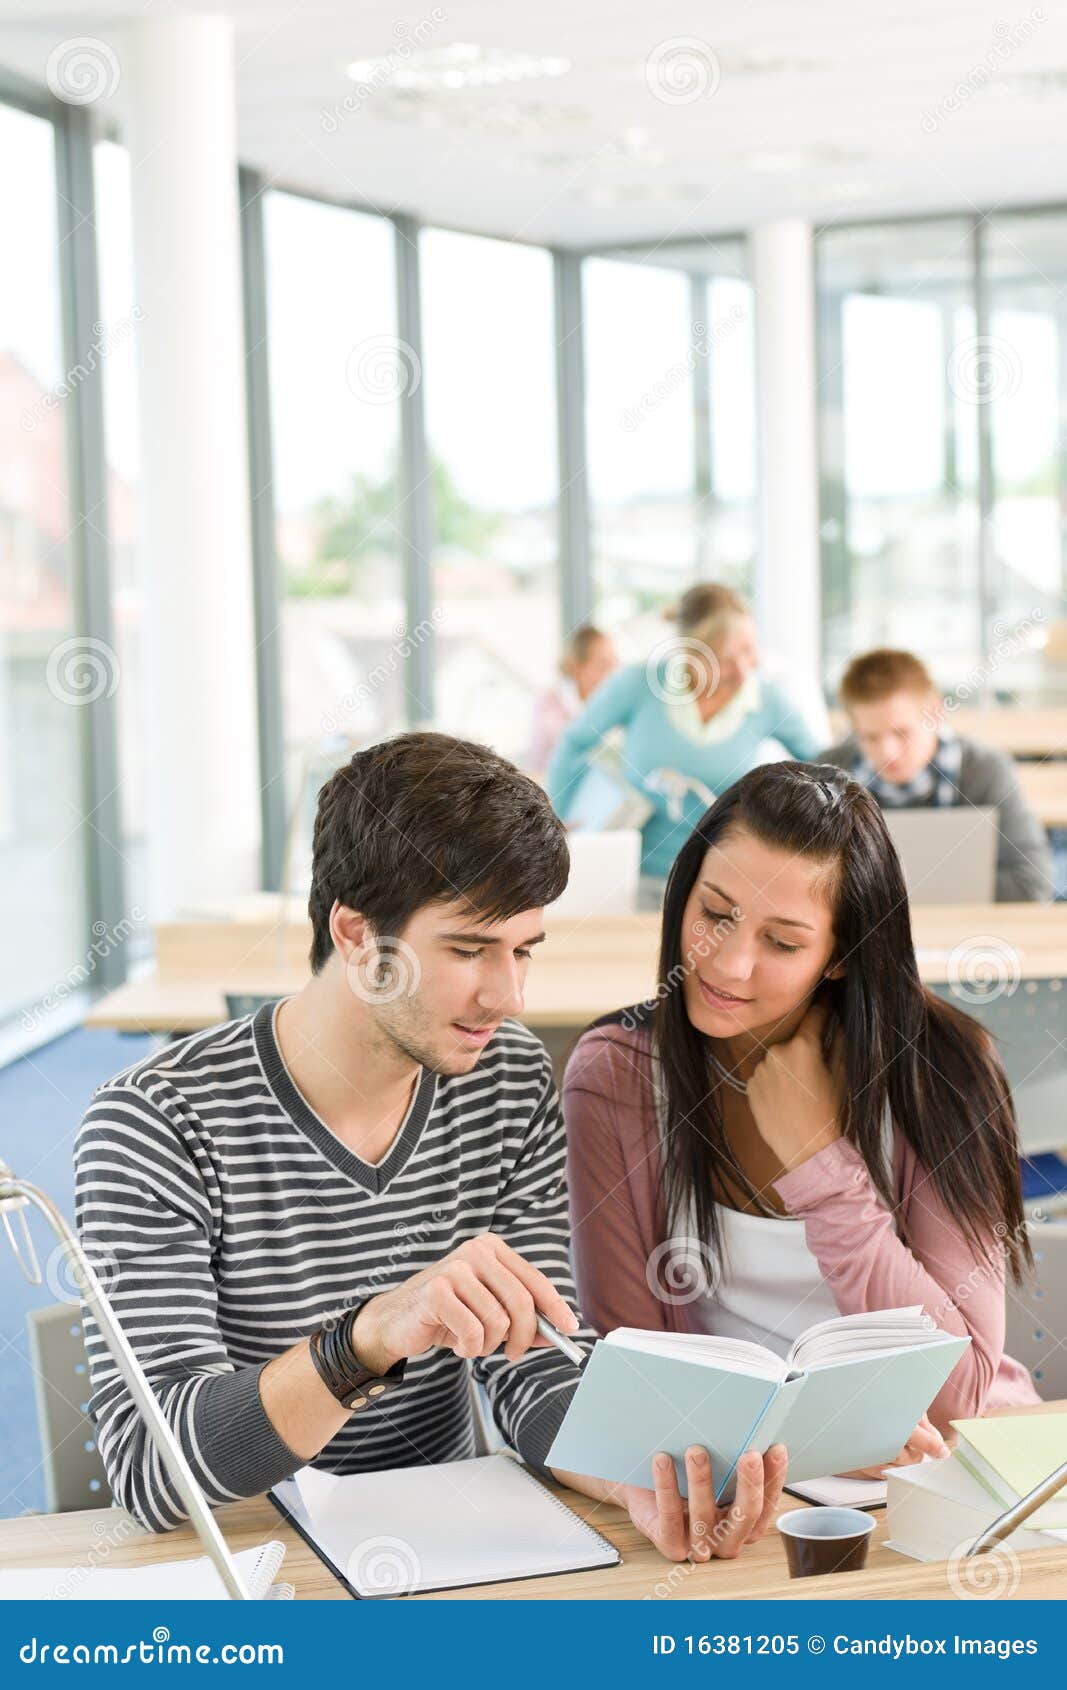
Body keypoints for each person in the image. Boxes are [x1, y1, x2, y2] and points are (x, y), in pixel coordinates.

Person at [75, 732, 785, 1563]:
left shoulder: (506, 1075)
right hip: (245, 1563)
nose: (507, 995)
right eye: (468, 949)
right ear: (356, 936)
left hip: (446, 1552)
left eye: (522, 950)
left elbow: (534, 1362)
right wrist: (366, 1340)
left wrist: (626, 1472)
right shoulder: (155, 1121)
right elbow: (154, 1468)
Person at [564, 760, 1038, 1461]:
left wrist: (820, 1162)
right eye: (714, 915)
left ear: (841, 955)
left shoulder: (941, 1071)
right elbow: (636, 1373)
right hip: (738, 1471)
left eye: (781, 942)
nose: (727, 965)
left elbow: (956, 1388)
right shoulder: (614, 1079)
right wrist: (821, 1436)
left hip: (947, 1458)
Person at [546, 587, 820, 892]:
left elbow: (822, 764)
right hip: (633, 876)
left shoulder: (768, 700)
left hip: (722, 881)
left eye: (749, 650)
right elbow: (574, 742)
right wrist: (556, 822)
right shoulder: (638, 685)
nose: (743, 670)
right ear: (692, 654)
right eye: (727, 659)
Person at [821, 648, 1053, 902]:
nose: (887, 753)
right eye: (870, 737)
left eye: (901, 733)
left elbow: (1032, 883)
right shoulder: (827, 775)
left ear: (935, 714)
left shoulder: (985, 770)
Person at [525, 621, 618, 777]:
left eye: (614, 663)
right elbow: (579, 747)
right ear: (576, 667)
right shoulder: (549, 703)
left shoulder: (602, 701)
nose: (613, 673)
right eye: (603, 665)